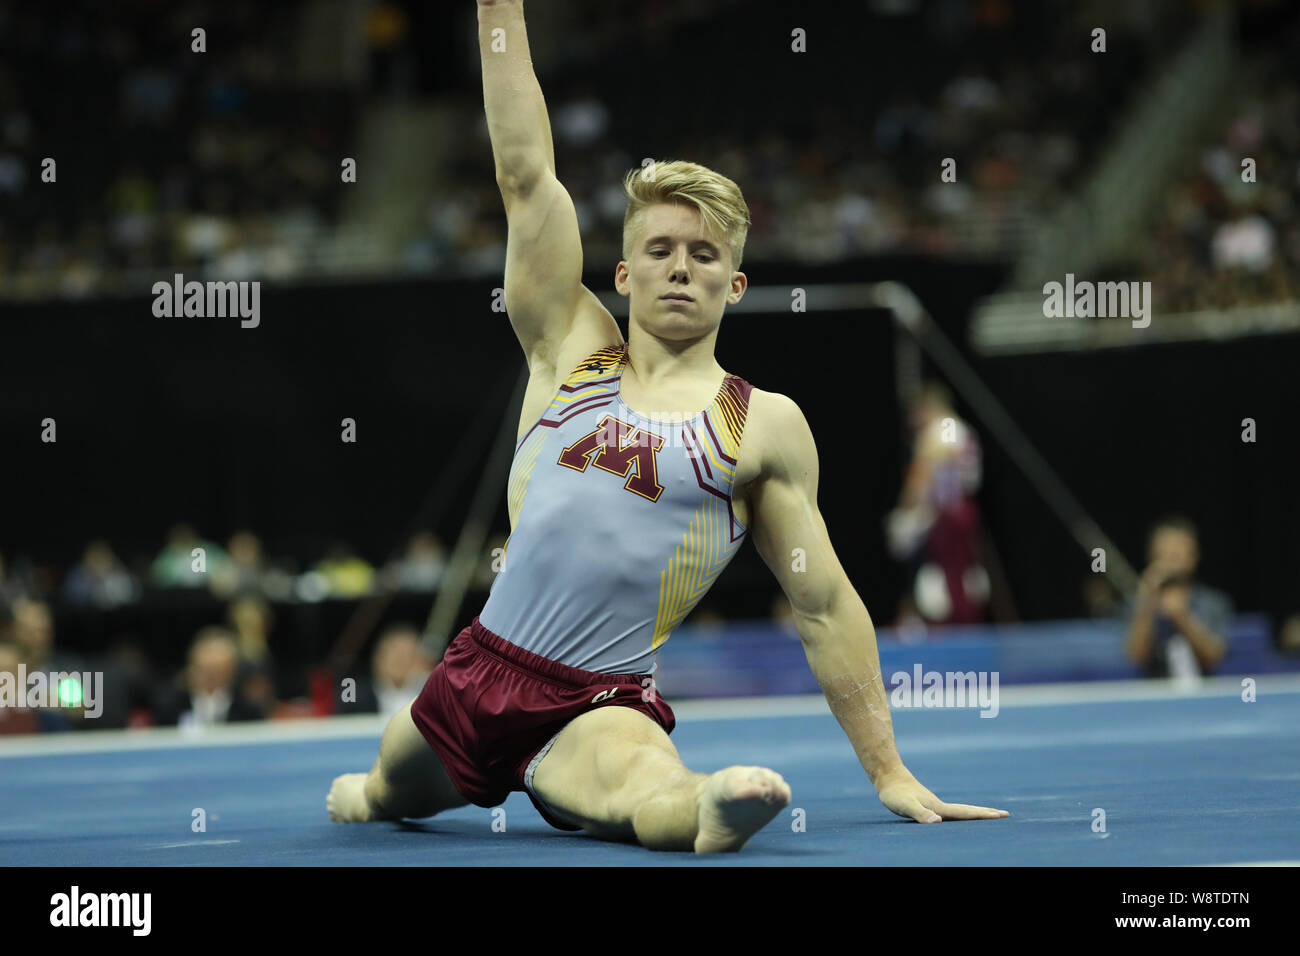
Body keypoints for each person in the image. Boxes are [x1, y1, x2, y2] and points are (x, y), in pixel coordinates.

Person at [327, 0, 1007, 852]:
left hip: (598, 697)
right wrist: (499, 11)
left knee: (646, 787)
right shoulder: (567, 349)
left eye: (705, 255)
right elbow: (525, 174)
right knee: (385, 791)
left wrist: (888, 771)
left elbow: (825, 603)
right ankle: (367, 792)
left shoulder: (759, 425)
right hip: (476, 671)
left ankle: (713, 805)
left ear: (737, 284)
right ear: (622, 271)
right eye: (660, 251)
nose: (681, 268)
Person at [886, 382, 988, 625]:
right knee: (959, 572)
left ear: (927, 408)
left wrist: (905, 510)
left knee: (950, 574)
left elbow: (923, 474)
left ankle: (954, 626)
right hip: (963, 510)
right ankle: (962, 622)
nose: (913, 422)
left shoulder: (941, 429)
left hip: (950, 514)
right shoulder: (960, 428)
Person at [1123, 516, 1232, 681]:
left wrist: (1181, 616)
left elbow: (1213, 658)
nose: (1171, 559)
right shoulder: (1138, 602)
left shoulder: (1213, 602)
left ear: (1194, 557)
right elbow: (1136, 657)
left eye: (1178, 552)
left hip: (1205, 693)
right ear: (1152, 555)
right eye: (1165, 551)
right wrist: (1147, 604)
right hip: (1154, 696)